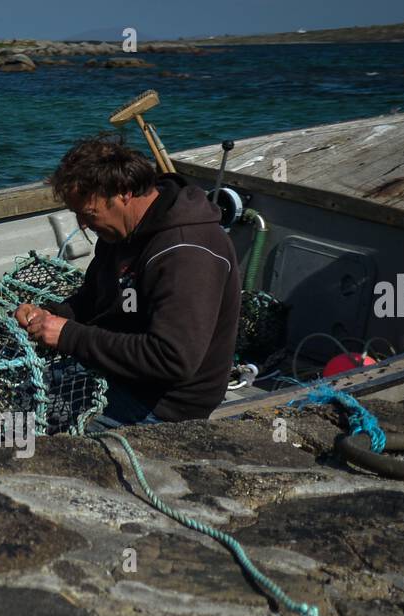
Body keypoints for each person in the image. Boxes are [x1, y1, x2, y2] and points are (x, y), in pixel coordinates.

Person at [14, 132, 240, 428]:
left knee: (30, 430)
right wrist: (50, 316)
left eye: (89, 214)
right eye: (77, 215)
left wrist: (68, 335)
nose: (84, 225)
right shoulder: (120, 231)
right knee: (17, 400)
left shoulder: (187, 251)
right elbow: (94, 300)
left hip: (164, 404)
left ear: (124, 192)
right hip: (118, 375)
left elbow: (172, 359)